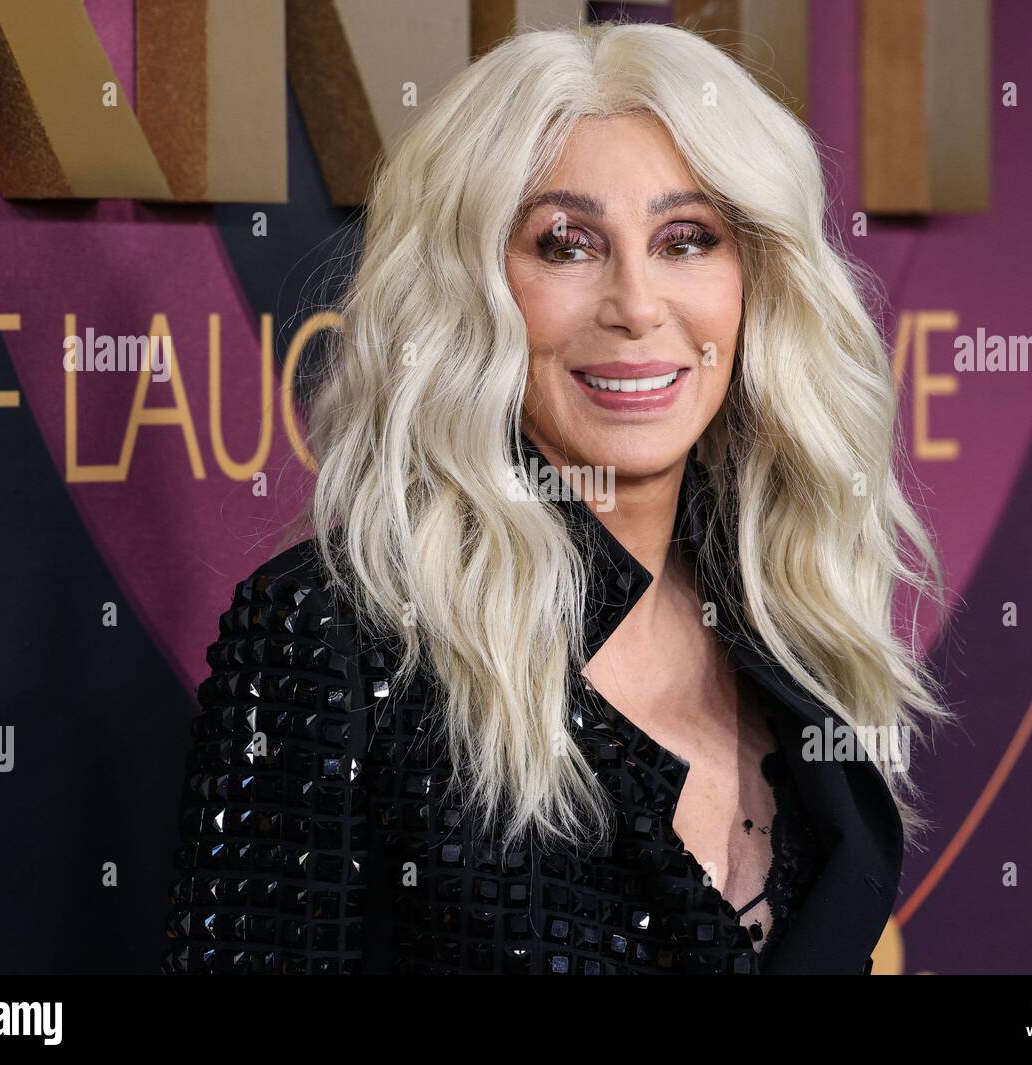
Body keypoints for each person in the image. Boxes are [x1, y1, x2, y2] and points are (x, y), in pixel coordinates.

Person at [161, 20, 949, 975]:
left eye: (686, 239)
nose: (637, 304)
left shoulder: (791, 616)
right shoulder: (333, 638)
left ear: (756, 285)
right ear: (471, 290)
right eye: (567, 245)